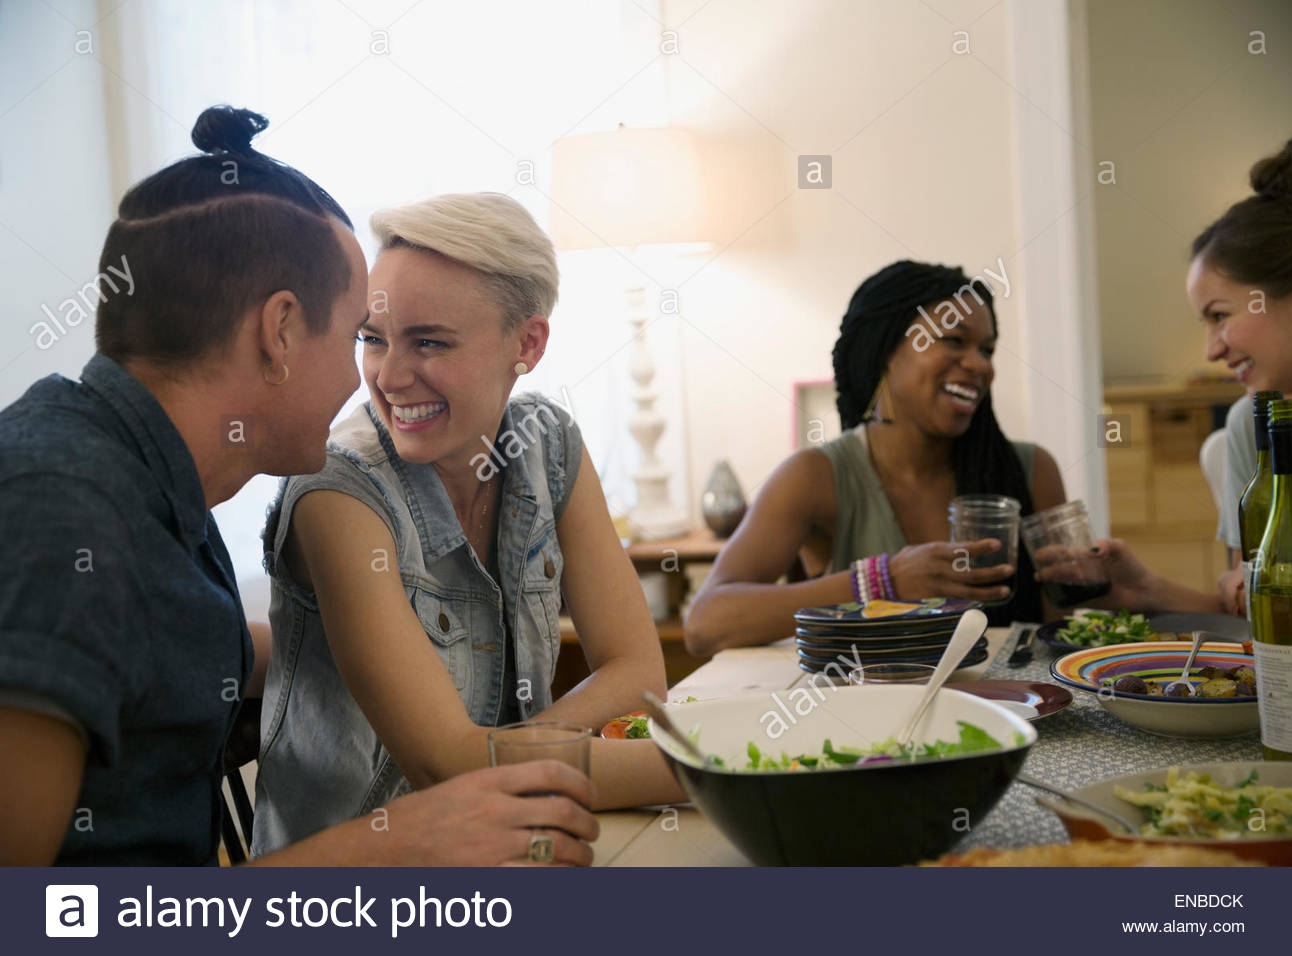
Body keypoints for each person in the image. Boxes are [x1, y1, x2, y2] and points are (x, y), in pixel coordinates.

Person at [0, 106, 597, 866]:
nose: (373, 377)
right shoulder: (60, 509)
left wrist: (347, 642)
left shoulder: (142, 482)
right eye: (359, 334)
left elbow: (155, 641)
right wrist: (398, 844)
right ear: (279, 332)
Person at [250, 192, 683, 855]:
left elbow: (637, 670)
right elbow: (446, 766)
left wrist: (513, 757)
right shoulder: (337, 489)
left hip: (511, 847)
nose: (388, 377)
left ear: (528, 343)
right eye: (371, 338)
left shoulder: (548, 441)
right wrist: (710, 768)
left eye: (429, 342)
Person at [684, 260, 1068, 657]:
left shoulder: (1034, 471)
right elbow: (706, 625)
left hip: (1014, 712)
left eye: (987, 349)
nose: (980, 365)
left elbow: (1063, 637)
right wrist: (882, 582)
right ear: (884, 348)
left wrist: (1120, 590)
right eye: (954, 340)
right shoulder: (815, 476)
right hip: (871, 714)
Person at [1088, 136, 1292, 617]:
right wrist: (1148, 593)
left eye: (1220, 315)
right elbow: (1253, 623)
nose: (1211, 349)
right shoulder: (1256, 425)